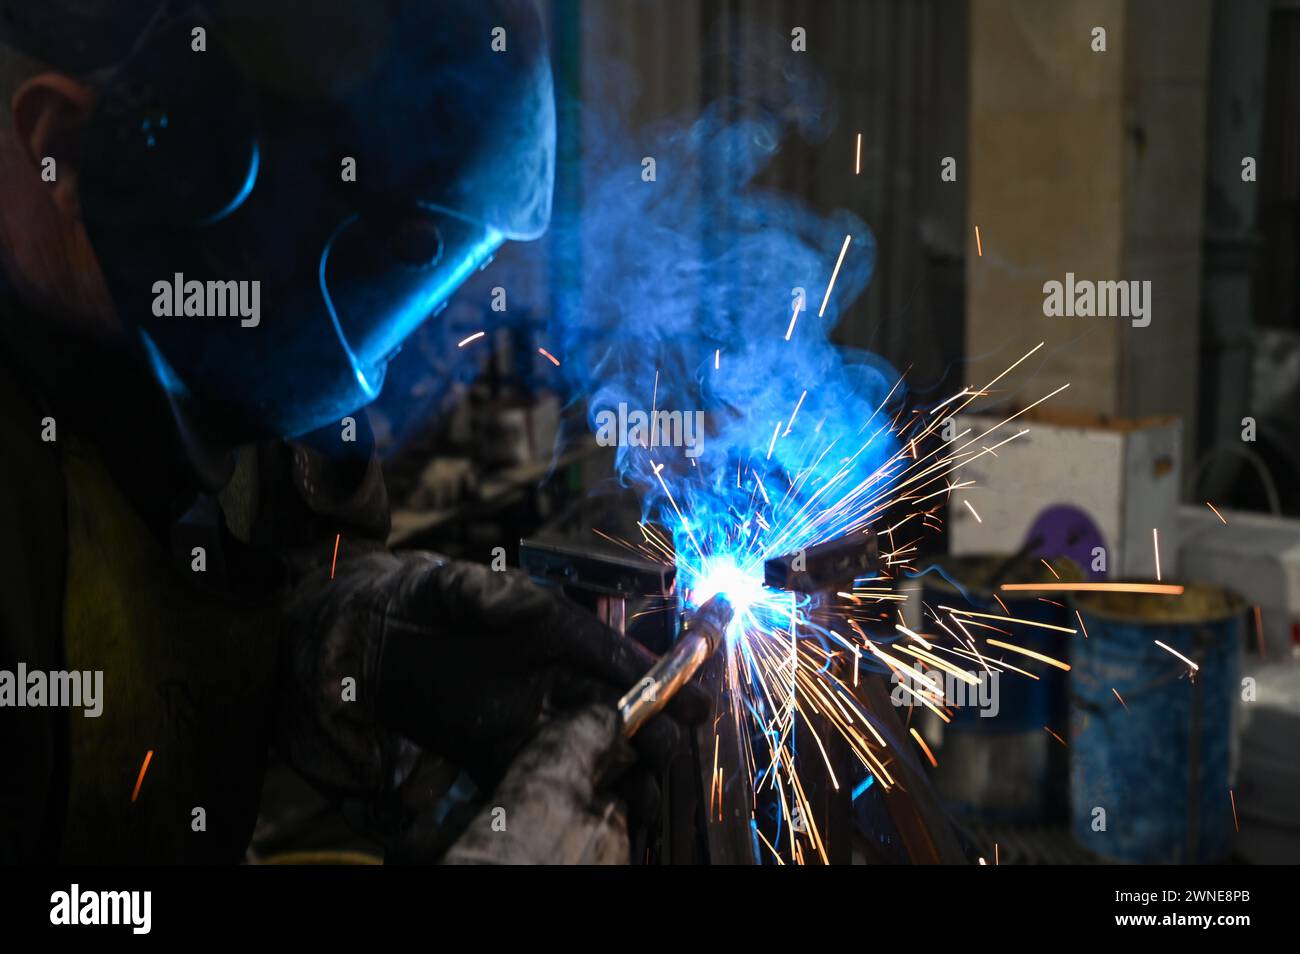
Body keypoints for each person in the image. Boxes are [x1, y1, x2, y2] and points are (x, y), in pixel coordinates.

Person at [0, 0, 705, 864]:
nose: (363, 378)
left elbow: (234, 583)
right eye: (359, 268)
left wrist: (334, 641)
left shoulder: (239, 358)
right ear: (68, 150)